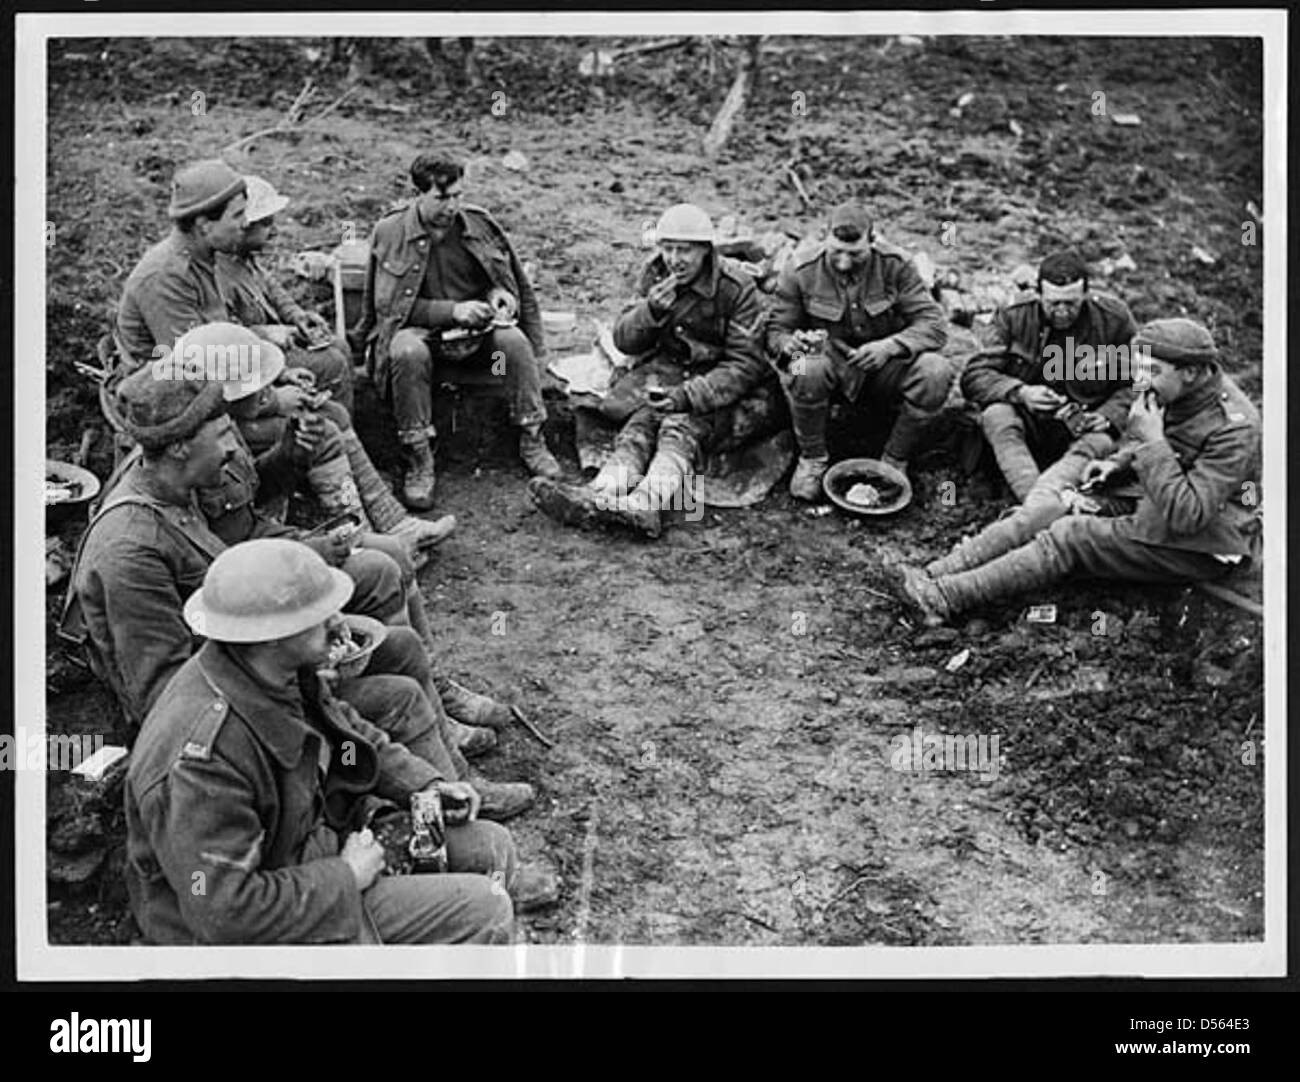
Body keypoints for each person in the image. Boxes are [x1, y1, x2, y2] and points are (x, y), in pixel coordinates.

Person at [63, 370, 533, 817]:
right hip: (229, 719)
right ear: (181, 447)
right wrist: (294, 660)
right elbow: (165, 697)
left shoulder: (176, 483)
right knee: (399, 697)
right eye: (222, 436)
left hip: (249, 659)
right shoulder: (129, 552)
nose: (233, 450)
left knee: (404, 647)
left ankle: (455, 777)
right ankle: (444, 812)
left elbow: (238, 549)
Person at [125, 538, 556, 944]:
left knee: (491, 845)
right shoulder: (200, 763)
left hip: (315, 845)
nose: (338, 624)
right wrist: (346, 877)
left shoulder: (273, 671)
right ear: (272, 633)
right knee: (487, 909)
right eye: (319, 615)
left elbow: (348, 739)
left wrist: (424, 784)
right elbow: (219, 911)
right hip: (264, 917)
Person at [896, 319, 1261, 625]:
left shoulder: (1235, 428)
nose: (1139, 379)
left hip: (1201, 542)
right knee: (1049, 506)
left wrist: (1149, 444)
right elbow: (1166, 448)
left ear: (1193, 372)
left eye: (1151, 371)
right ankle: (937, 571)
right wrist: (1119, 464)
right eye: (1138, 367)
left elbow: (1189, 515)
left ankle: (944, 599)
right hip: (1153, 497)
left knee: (1071, 536)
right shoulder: (1171, 386)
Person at [527, 203, 774, 537]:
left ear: (705, 250)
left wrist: (688, 395)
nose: (675, 259)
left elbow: (745, 366)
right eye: (668, 248)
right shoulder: (656, 272)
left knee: (680, 428)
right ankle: (598, 495)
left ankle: (647, 502)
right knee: (638, 425)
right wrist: (650, 310)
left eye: (685, 250)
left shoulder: (736, 287)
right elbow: (624, 341)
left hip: (727, 391)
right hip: (671, 375)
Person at [351, 150, 562, 509]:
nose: (451, 206)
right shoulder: (390, 232)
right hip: (420, 338)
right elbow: (391, 311)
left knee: (510, 343)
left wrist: (498, 297)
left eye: (457, 195)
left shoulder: (478, 225)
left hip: (479, 346)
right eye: (441, 197)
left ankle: (530, 434)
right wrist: (453, 311)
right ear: (417, 192)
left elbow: (514, 287)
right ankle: (419, 453)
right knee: (406, 351)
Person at [199, 317, 455, 564]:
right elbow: (198, 370)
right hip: (245, 555)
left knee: (326, 425)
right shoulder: (209, 446)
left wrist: (291, 448)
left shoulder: (225, 429)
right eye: (260, 384)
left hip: (255, 524)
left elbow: (254, 485)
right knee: (329, 425)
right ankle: (366, 539)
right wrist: (276, 399)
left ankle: (379, 527)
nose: (265, 387)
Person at [766, 201, 952, 498]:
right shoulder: (800, 269)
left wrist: (891, 346)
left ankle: (893, 461)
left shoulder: (896, 266)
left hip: (882, 372)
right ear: (824, 237)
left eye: (855, 254)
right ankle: (812, 458)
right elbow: (776, 331)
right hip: (826, 371)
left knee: (935, 371)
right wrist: (790, 343)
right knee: (802, 364)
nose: (843, 262)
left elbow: (934, 325)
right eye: (836, 251)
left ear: (873, 241)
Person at [961, 249, 1138, 500]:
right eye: (1053, 303)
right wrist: (1021, 393)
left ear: (1086, 295)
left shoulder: (1115, 319)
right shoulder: (1013, 316)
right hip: (1027, 423)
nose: (1062, 311)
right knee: (996, 416)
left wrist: (1108, 416)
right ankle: (1035, 500)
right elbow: (974, 375)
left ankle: (1041, 504)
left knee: (1102, 441)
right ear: (1038, 293)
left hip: (1084, 428)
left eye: (1071, 303)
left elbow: (1142, 380)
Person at [215, 175, 356, 413]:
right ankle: (332, 429)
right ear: (244, 226)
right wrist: (267, 334)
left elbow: (270, 286)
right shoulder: (219, 273)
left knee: (340, 345)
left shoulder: (244, 259)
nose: (274, 231)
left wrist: (297, 315)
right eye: (267, 223)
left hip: (267, 346)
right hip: (249, 358)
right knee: (331, 363)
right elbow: (220, 336)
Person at [115, 159, 249, 366]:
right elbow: (196, 366)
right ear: (203, 224)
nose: (246, 223)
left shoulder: (206, 256)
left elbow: (219, 340)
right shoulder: (164, 276)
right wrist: (272, 397)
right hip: (166, 388)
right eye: (237, 215)